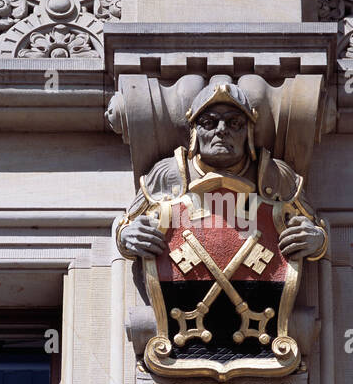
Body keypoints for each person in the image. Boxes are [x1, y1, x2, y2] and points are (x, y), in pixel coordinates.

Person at [115, 81, 327, 262]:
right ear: (195, 132)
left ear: (249, 132)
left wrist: (316, 239)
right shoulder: (169, 172)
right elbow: (126, 223)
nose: (221, 130)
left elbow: (316, 226)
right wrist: (126, 236)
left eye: (234, 123)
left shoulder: (275, 174)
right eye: (209, 122)